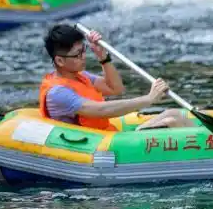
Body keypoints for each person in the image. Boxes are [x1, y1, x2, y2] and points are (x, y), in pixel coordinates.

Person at [40, 24, 188, 130]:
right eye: (78, 54)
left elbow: (115, 88)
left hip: (107, 135)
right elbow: (100, 110)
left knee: (174, 113)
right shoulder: (57, 93)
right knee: (171, 122)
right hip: (94, 147)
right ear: (59, 60)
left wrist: (103, 57)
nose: (84, 57)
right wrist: (148, 99)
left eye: (83, 50)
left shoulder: (81, 76)